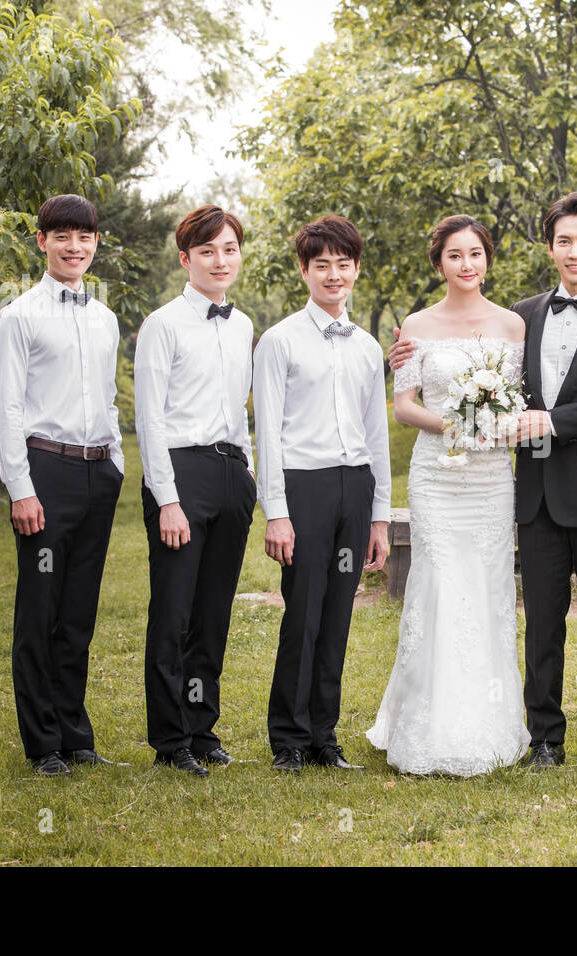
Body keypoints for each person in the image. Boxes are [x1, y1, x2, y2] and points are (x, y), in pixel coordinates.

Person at [391, 191, 577, 772]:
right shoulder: (520, 316)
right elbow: (481, 382)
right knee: (540, 623)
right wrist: (408, 359)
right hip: (533, 493)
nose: (575, 251)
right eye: (565, 241)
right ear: (550, 247)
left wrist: (555, 422)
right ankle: (545, 740)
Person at [366, 214, 530, 775]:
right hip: (437, 475)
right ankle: (423, 724)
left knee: (486, 586)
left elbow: (518, 403)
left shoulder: (513, 325)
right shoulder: (416, 324)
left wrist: (494, 425)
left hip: (489, 479)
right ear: (439, 264)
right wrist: (457, 424)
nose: (467, 264)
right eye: (455, 255)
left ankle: (489, 720)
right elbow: (406, 405)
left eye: (476, 254)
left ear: (488, 259)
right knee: (437, 583)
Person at [0, 193, 125, 776]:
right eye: (63, 236)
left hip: (98, 473)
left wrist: (116, 460)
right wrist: (21, 487)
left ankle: (76, 734)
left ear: (95, 243)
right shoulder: (19, 315)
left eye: (85, 237)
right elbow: (9, 408)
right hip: (45, 472)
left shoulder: (105, 318)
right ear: (41, 240)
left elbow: (109, 397)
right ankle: (43, 744)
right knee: (41, 610)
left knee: (78, 612)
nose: (75, 247)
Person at [254, 215, 391, 773]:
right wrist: (276, 513)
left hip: (353, 486)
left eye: (343, 264)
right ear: (305, 271)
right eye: (321, 265)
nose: (333, 274)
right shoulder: (279, 340)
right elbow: (266, 432)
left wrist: (379, 517)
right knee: (303, 614)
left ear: (356, 268)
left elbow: (377, 433)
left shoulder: (367, 347)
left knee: (339, 615)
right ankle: (288, 738)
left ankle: (323, 736)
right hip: (303, 487)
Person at [135, 205, 256, 777]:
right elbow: (150, 420)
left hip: (231, 474)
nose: (220, 259)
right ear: (186, 259)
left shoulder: (244, 325)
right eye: (207, 250)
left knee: (213, 613)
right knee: (174, 612)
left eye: (229, 248)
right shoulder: (162, 324)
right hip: (180, 473)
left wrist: (249, 473)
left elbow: (239, 410)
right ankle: (169, 738)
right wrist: (168, 499)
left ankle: (201, 723)